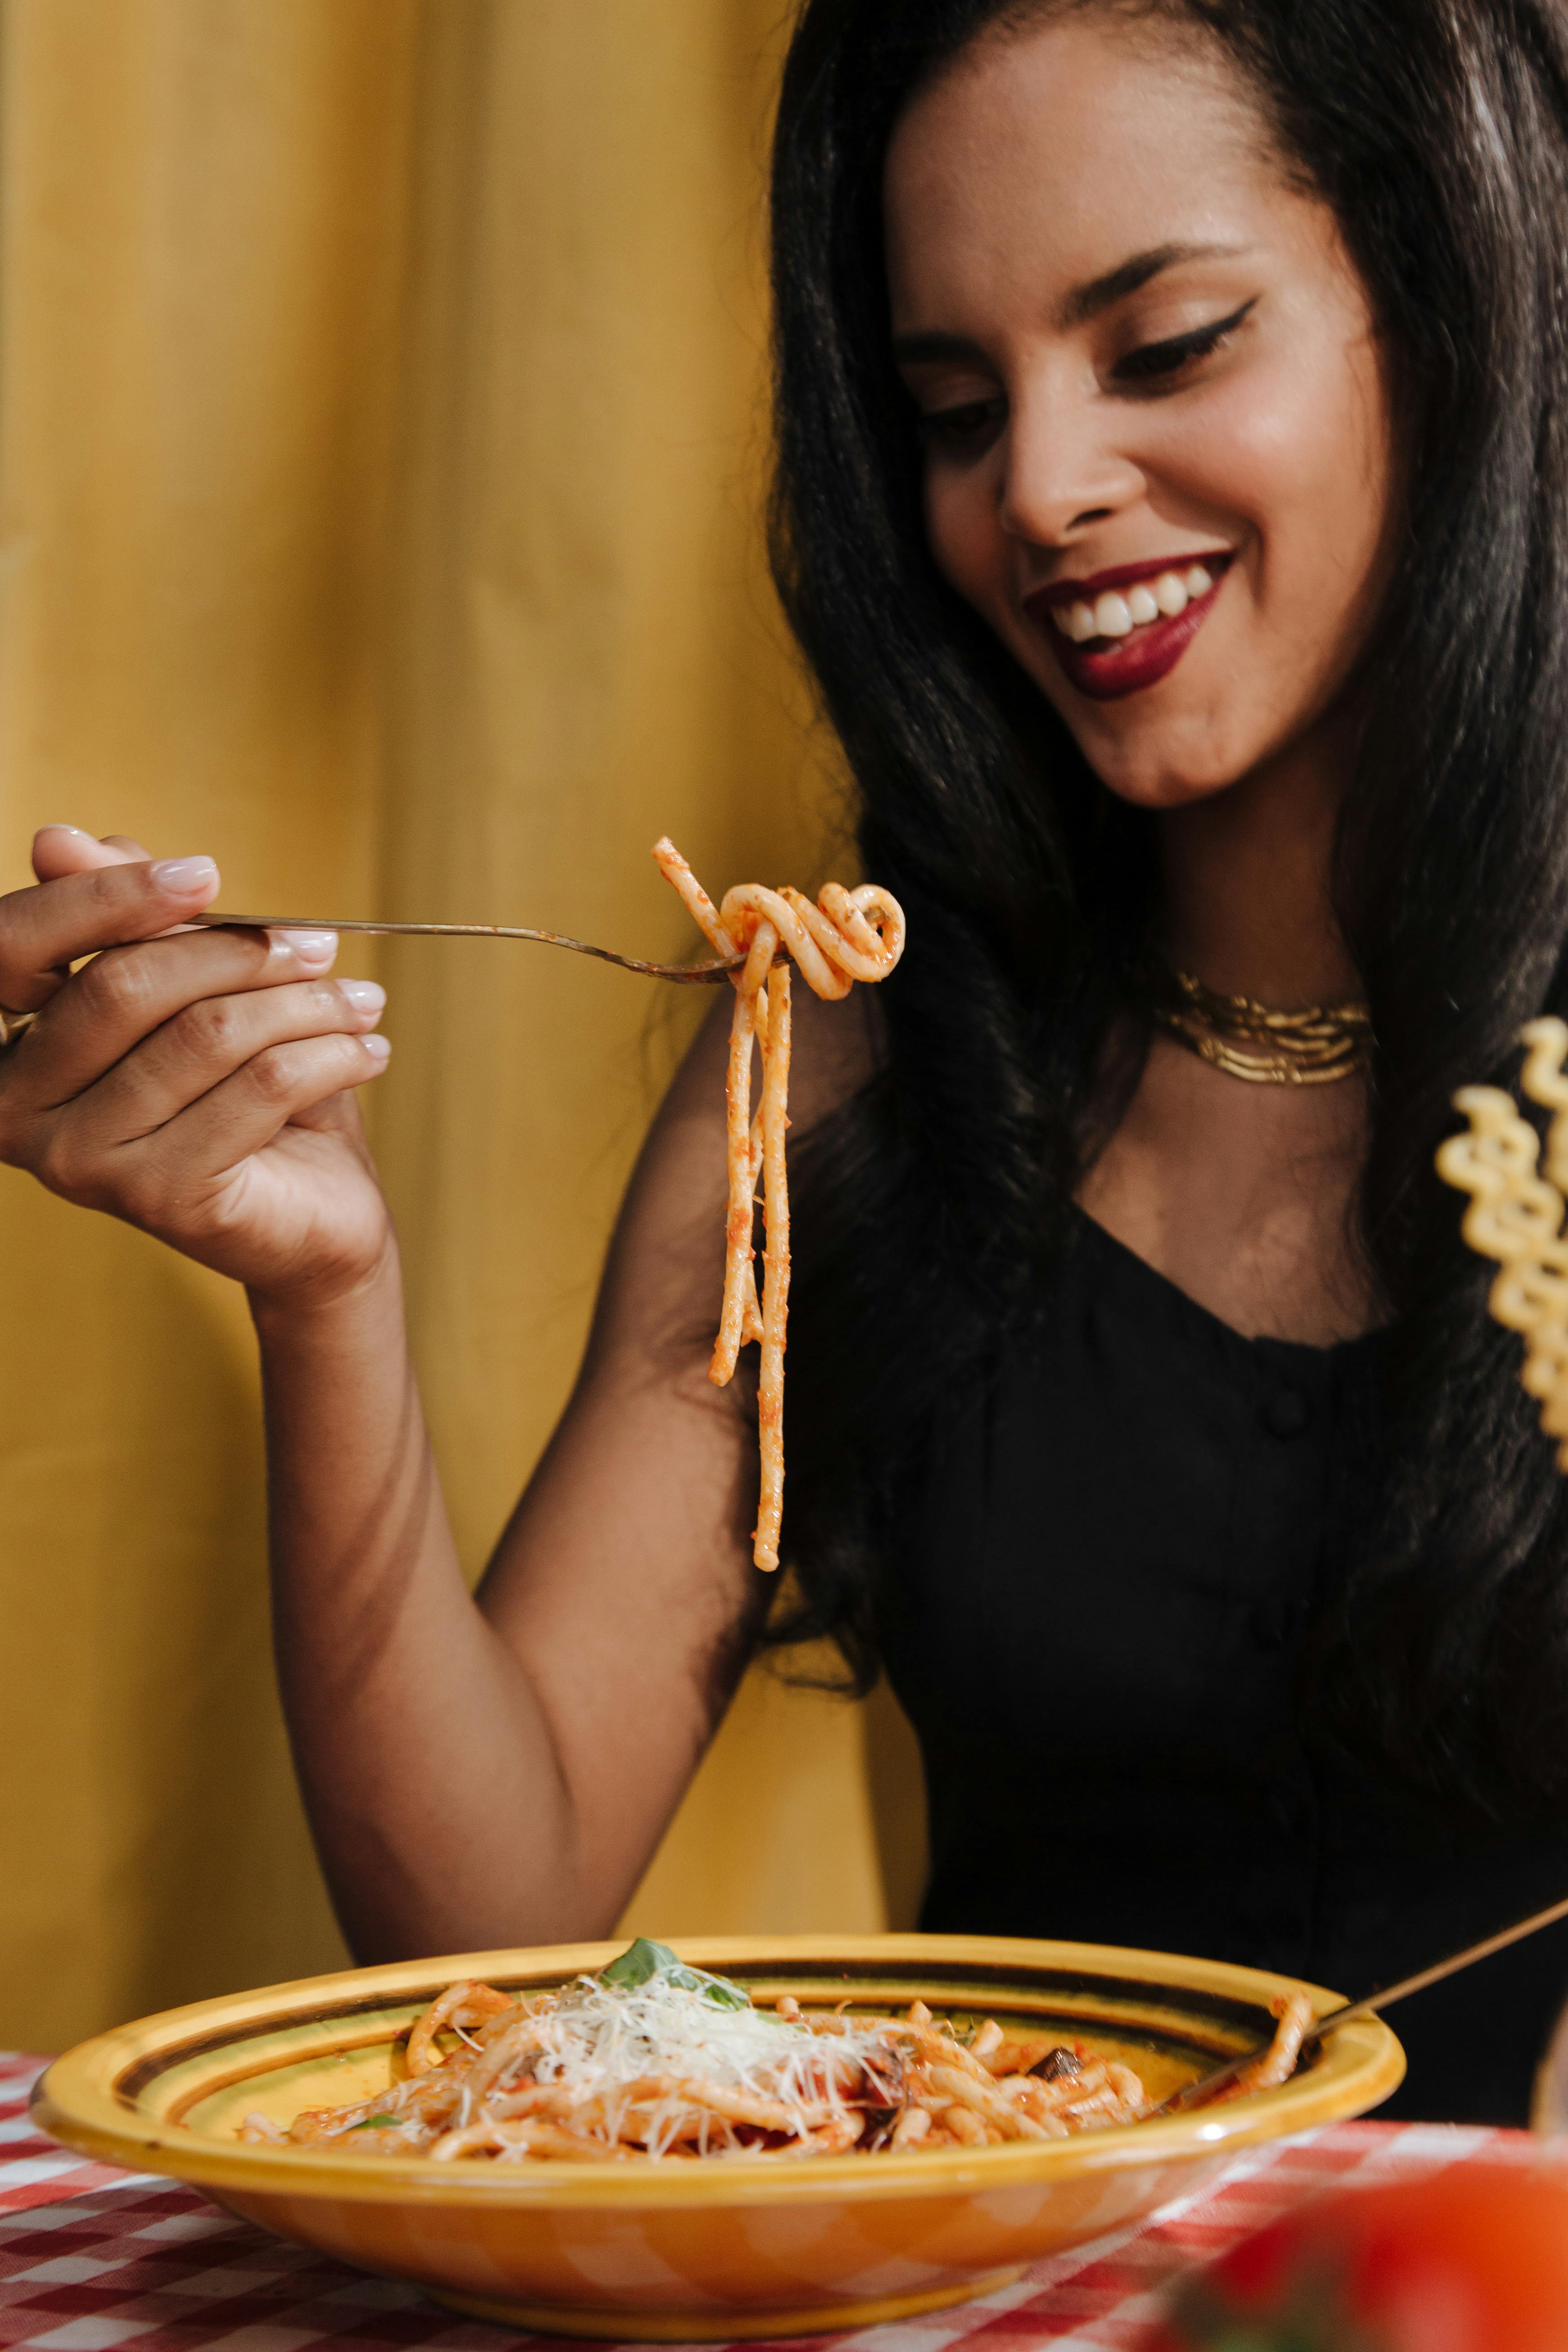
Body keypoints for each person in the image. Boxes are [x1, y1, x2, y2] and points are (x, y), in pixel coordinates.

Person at [4, 0, 1568, 2124]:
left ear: (1455, 291)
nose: (1042, 489)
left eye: (1171, 342)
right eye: (950, 407)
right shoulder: (838, 1068)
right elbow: (496, 1925)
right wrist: (326, 1290)